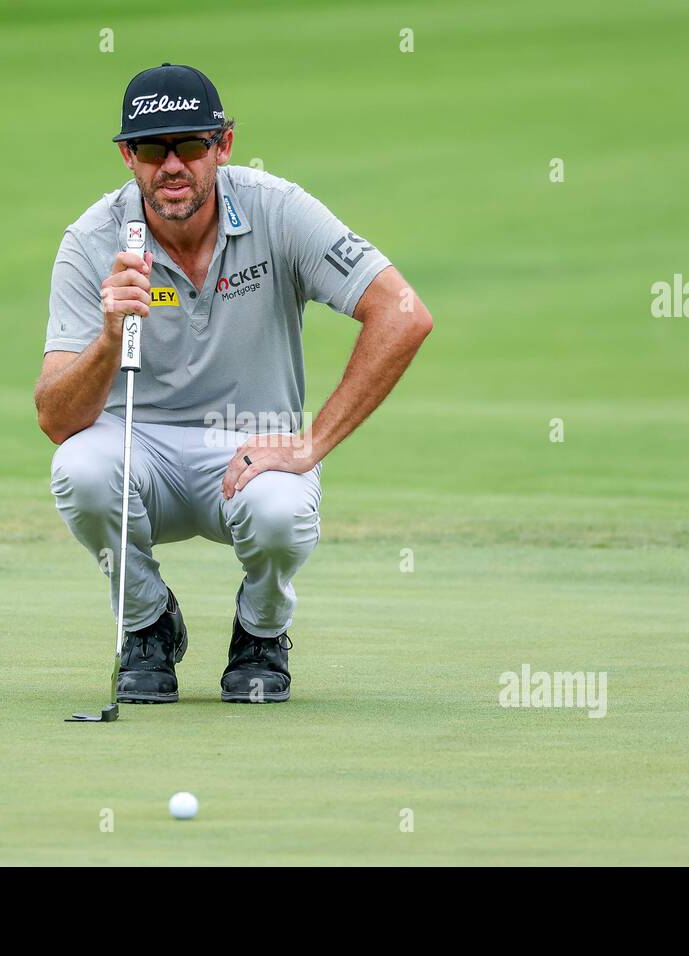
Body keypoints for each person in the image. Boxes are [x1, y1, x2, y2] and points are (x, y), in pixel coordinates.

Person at [36, 63, 431, 704]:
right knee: (76, 469)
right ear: (126, 157)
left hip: (252, 442)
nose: (172, 166)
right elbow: (56, 418)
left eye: (190, 144)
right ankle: (146, 623)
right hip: (143, 446)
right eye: (150, 149)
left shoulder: (278, 210)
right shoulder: (91, 242)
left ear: (222, 143)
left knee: (280, 512)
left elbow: (404, 313)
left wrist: (309, 444)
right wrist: (109, 338)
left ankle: (260, 631)